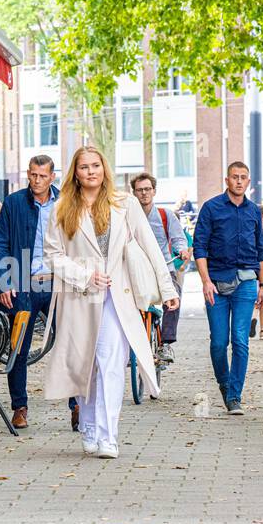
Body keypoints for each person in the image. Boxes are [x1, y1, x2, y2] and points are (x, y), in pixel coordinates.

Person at [42, 147, 178, 458]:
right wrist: (84, 275)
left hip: (119, 297)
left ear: (104, 169)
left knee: (111, 364)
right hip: (80, 298)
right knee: (87, 365)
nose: (90, 171)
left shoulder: (124, 203)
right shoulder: (62, 207)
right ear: (74, 172)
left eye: (95, 166)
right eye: (84, 167)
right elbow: (52, 255)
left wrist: (167, 288)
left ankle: (108, 435)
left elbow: (150, 246)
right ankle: (88, 425)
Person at [0, 154, 71, 430]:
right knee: (19, 346)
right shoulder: (14, 203)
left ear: (52, 177)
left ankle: (77, 406)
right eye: (32, 175)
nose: (36, 180)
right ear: (28, 174)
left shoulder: (65, 203)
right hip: (24, 284)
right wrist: (5, 282)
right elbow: (0, 242)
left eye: (42, 176)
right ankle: (19, 407)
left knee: (71, 343)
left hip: (58, 284)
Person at [193, 161, 263, 415]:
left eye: (243, 177)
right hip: (215, 283)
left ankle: (235, 396)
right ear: (226, 180)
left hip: (247, 283)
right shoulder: (211, 208)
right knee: (218, 342)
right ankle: (224, 384)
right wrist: (205, 281)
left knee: (240, 340)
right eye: (234, 177)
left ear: (248, 182)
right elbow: (200, 247)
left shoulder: (253, 212)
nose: (239, 181)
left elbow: (261, 250)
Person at [129, 173, 191, 362]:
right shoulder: (128, 216)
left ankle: (165, 343)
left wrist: (182, 251)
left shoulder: (166, 215)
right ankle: (130, 345)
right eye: (139, 190)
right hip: (136, 268)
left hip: (163, 266)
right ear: (134, 193)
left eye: (147, 189)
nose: (144, 193)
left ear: (154, 191)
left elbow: (178, 237)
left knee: (174, 296)